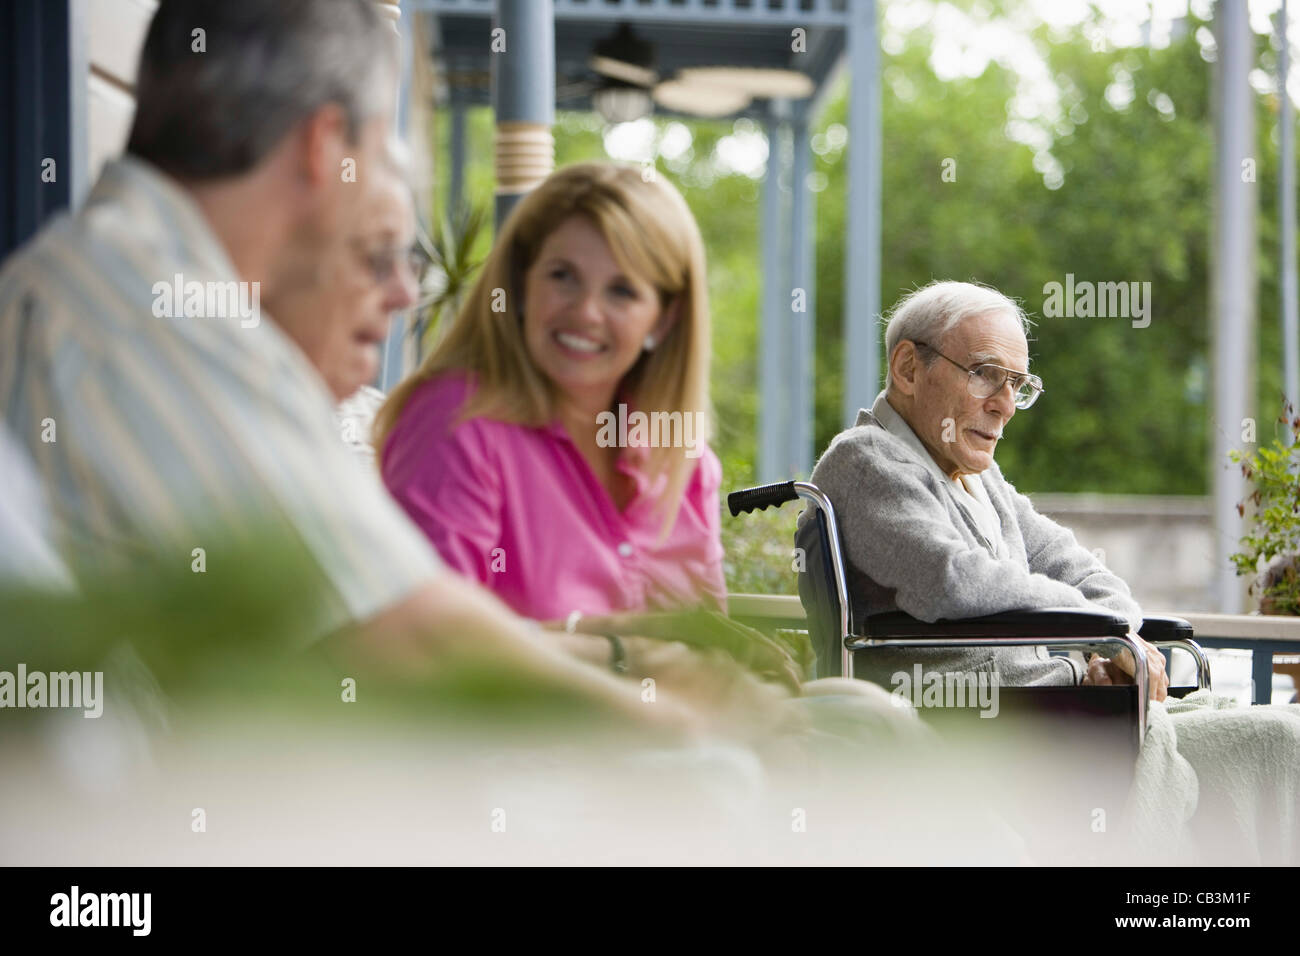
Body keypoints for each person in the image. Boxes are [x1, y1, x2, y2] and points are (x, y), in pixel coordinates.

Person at [0, 0, 687, 731]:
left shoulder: (134, 283)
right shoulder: (141, 300)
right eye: (378, 154)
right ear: (325, 144)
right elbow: (400, 631)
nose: (399, 289)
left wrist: (624, 667)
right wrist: (694, 733)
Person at [801, 279, 1300, 864]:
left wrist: (1102, 649)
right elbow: (952, 580)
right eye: (986, 374)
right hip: (985, 730)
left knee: (1273, 729)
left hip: (1057, 713)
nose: (1006, 405)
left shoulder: (980, 479)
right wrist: (1093, 641)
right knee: (1279, 739)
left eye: (1018, 385)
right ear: (909, 367)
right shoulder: (864, 460)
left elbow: (1092, 575)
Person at [376, 162, 726, 624]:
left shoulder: (682, 455)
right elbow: (430, 642)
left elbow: (708, 644)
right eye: (562, 276)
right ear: (521, 283)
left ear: (663, 320)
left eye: (621, 291)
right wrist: (622, 654)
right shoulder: (456, 421)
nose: (586, 312)